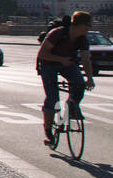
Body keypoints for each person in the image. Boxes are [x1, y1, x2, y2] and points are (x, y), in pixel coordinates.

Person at [37, 10, 95, 144]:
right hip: (49, 64)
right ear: (80, 25)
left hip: (68, 64)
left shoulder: (82, 39)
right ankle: (48, 130)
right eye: (88, 25)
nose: (90, 28)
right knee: (53, 98)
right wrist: (61, 59)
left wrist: (89, 78)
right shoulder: (58, 33)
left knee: (79, 85)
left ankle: (71, 106)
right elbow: (42, 54)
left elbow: (86, 60)